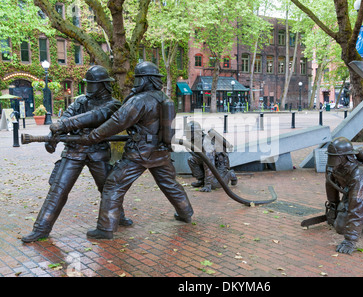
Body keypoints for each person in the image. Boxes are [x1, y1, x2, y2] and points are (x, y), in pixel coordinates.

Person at [77, 61, 194, 240]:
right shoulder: (163, 98)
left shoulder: (140, 100)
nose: (135, 83)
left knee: (113, 184)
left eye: (138, 78)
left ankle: (105, 228)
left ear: (144, 80)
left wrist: (93, 136)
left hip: (139, 153)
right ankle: (186, 213)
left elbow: (117, 122)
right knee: (169, 183)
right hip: (160, 152)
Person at [22, 65, 133, 243]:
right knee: (58, 190)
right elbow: (66, 116)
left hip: (98, 152)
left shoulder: (113, 104)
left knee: (108, 189)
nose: (89, 87)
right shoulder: (81, 101)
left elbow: (96, 116)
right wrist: (53, 135)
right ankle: (40, 229)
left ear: (103, 85)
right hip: (74, 151)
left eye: (92, 84)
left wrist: (64, 126)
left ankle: (118, 217)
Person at [185, 121, 237, 192]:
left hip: (220, 163)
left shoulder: (206, 143)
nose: (187, 135)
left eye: (189, 133)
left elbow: (209, 163)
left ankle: (230, 174)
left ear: (196, 133)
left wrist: (208, 184)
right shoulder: (196, 141)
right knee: (191, 160)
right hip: (210, 160)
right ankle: (201, 180)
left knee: (214, 185)